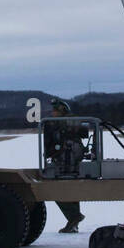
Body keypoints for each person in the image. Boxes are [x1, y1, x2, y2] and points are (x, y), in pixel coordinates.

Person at [50, 98, 85, 233]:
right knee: (69, 189)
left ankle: (74, 217)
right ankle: (73, 219)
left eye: (55, 110)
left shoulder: (69, 121)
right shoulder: (62, 123)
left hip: (69, 157)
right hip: (66, 157)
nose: (52, 113)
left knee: (57, 188)